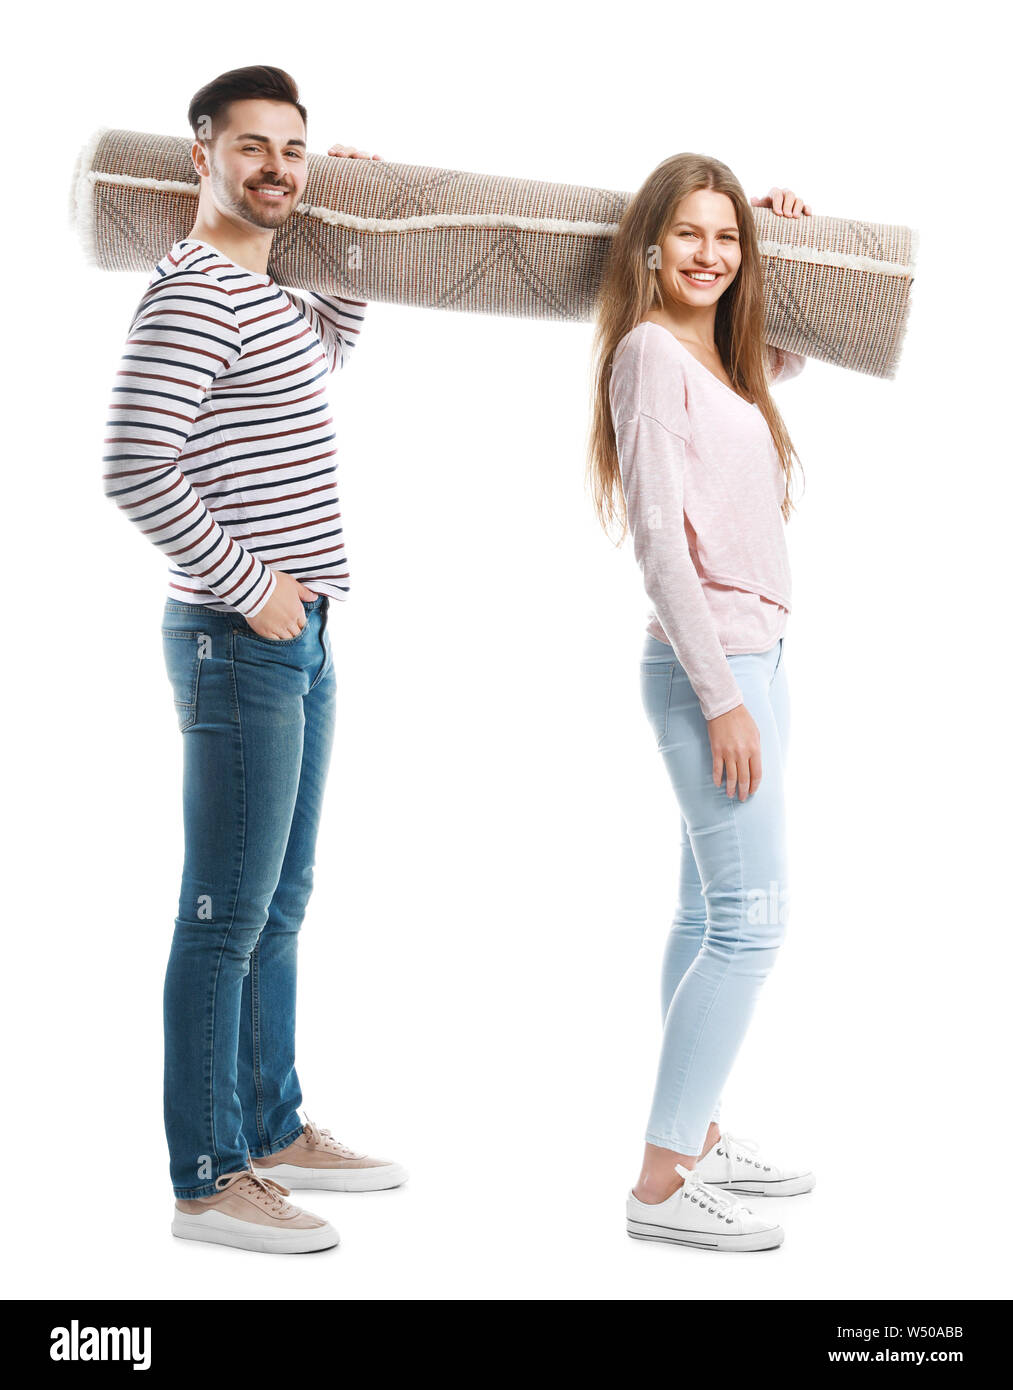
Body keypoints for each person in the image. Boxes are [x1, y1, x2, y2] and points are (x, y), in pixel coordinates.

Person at [102, 65, 407, 1254]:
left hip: (303, 634)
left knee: (279, 902)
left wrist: (358, 219)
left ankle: (270, 1128)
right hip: (240, 642)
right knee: (223, 915)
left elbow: (330, 339)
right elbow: (134, 467)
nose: (277, 167)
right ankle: (206, 1179)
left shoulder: (266, 290)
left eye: (294, 148)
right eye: (252, 148)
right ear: (201, 156)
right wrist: (255, 589)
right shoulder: (189, 296)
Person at [587, 154, 817, 1251]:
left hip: (750, 656)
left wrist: (783, 232)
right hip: (707, 668)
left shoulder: (712, 361)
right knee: (750, 924)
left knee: (703, 914)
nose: (708, 255)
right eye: (688, 233)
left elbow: (788, 352)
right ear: (648, 243)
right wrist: (723, 697)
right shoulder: (645, 355)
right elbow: (657, 548)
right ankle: (661, 1180)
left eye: (725, 237)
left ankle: (697, 1131)